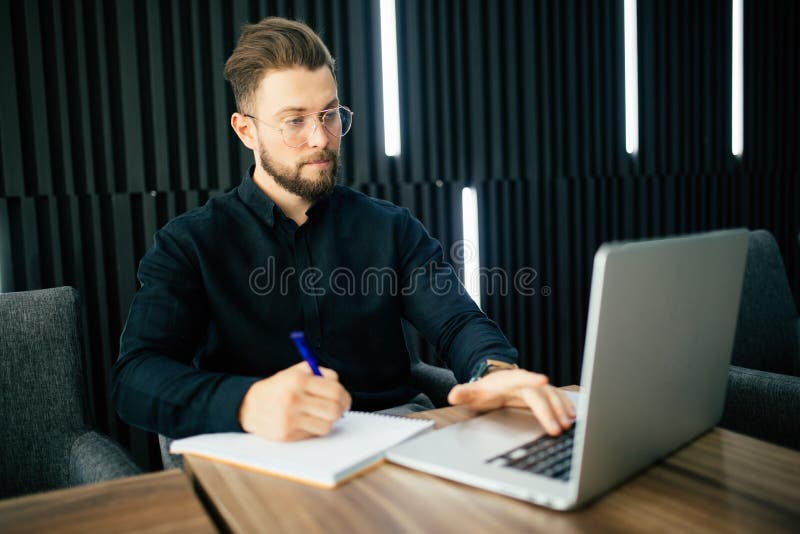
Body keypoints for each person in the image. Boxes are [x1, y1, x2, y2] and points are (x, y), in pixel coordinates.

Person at [111, 17, 574, 443]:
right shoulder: (189, 244)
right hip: (260, 449)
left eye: (330, 115)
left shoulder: (389, 227)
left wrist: (492, 371)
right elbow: (134, 377)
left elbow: (456, 322)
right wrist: (248, 403)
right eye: (295, 121)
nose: (320, 139)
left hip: (393, 437)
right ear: (246, 131)